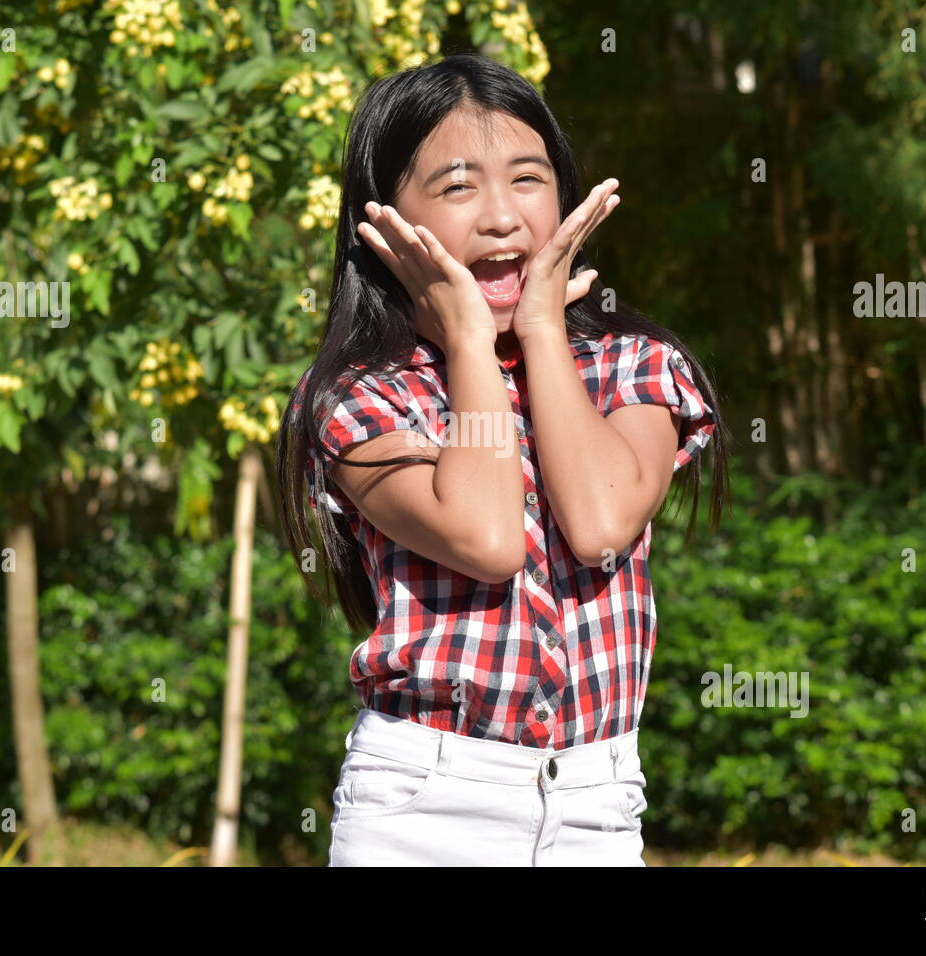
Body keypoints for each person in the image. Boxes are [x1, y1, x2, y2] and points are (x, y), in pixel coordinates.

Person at [277, 53, 729, 866]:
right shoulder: (360, 395)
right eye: (457, 186)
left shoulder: (633, 366)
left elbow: (599, 524)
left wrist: (543, 329)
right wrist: (469, 341)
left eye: (528, 179)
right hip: (419, 810)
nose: (501, 217)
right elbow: (487, 538)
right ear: (385, 221)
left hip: (596, 806)